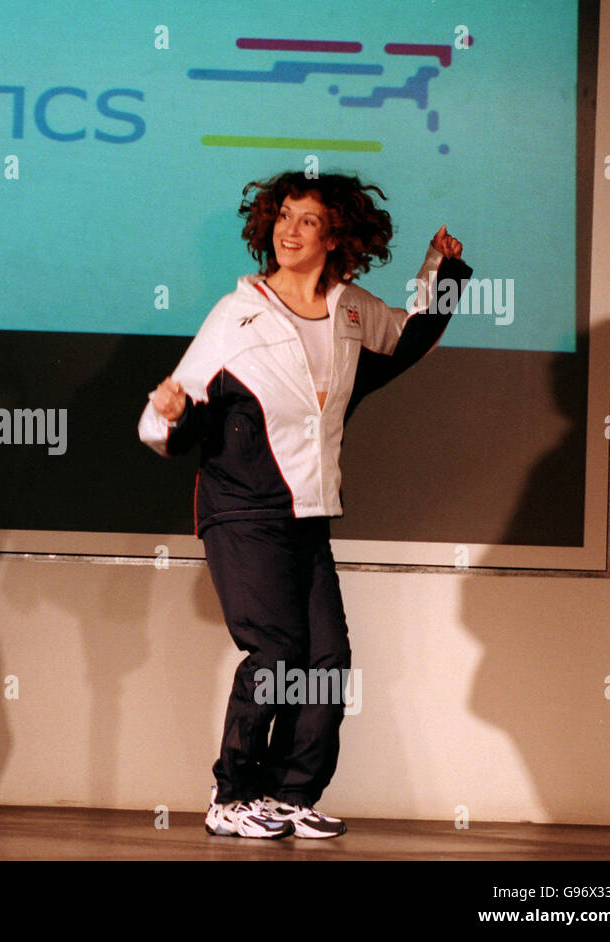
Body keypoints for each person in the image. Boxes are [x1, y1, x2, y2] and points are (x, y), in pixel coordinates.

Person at [139, 171, 470, 838]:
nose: (289, 230)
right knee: (276, 652)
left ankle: (291, 792)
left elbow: (410, 339)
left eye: (307, 220)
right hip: (242, 508)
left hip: (307, 514)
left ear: (335, 235)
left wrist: (444, 270)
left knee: (326, 662)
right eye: (282, 217)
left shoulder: (350, 309)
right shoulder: (239, 313)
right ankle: (233, 794)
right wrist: (168, 414)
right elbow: (167, 419)